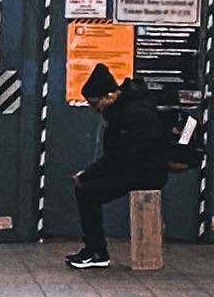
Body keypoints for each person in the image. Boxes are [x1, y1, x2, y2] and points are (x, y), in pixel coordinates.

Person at [63, 63, 175, 268]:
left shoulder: (132, 113)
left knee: (88, 192)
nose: (95, 109)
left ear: (108, 96)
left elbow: (121, 156)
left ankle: (96, 252)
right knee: (88, 189)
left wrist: (88, 174)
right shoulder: (127, 108)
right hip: (142, 166)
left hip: (147, 171)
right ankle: (94, 249)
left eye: (95, 104)